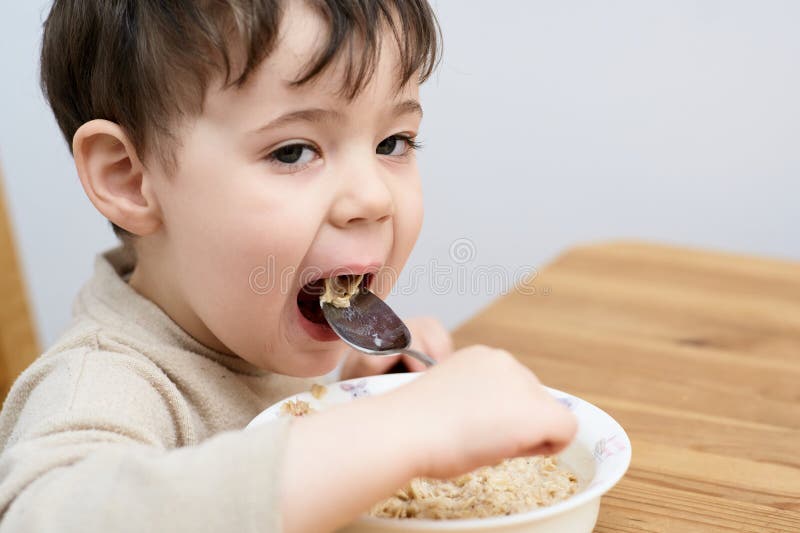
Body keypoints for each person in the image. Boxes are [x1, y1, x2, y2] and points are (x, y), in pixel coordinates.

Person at [0, 1, 577, 531]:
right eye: (293, 151)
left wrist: (365, 391)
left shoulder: (251, 328)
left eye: (394, 142)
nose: (373, 199)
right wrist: (404, 430)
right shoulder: (103, 385)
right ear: (129, 177)